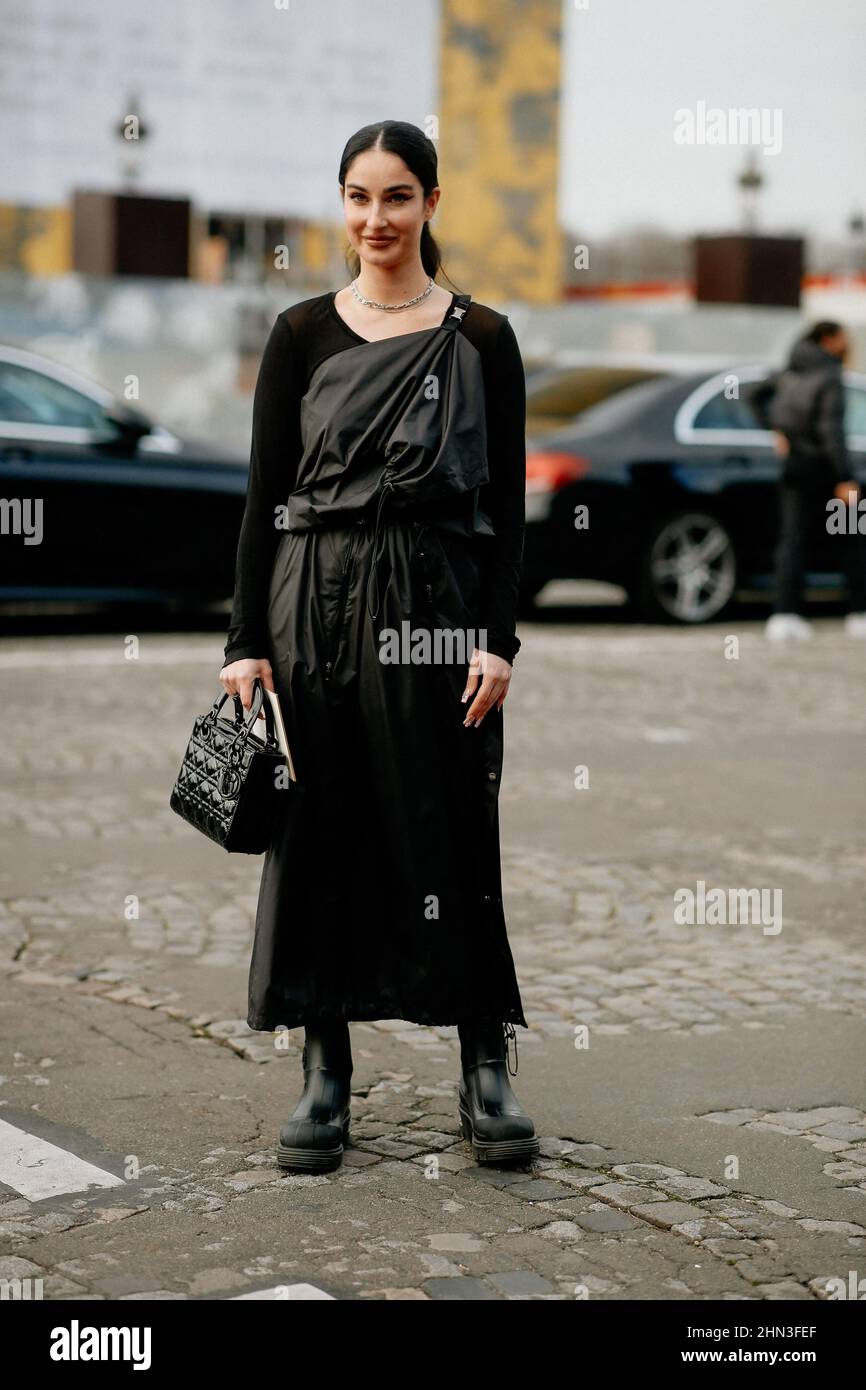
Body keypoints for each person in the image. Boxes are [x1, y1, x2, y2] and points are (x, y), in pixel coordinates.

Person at [218, 120, 540, 1173]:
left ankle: (481, 1058)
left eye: (396, 197)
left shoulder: (482, 338)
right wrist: (244, 640)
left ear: (430, 205)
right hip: (311, 599)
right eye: (358, 197)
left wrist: (498, 639)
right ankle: (325, 1070)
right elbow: (265, 499)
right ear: (341, 203)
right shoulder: (299, 332)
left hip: (435, 603)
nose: (374, 219)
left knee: (449, 822)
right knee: (319, 829)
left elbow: (504, 506)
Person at [754, 320, 866, 640]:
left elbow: (753, 394)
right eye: (843, 339)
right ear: (828, 340)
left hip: (795, 465)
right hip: (826, 467)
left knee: (793, 539)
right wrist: (845, 477)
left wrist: (776, 429)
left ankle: (785, 615)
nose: (847, 346)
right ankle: (859, 613)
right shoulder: (829, 375)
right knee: (852, 533)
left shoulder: (790, 371)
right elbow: (832, 431)